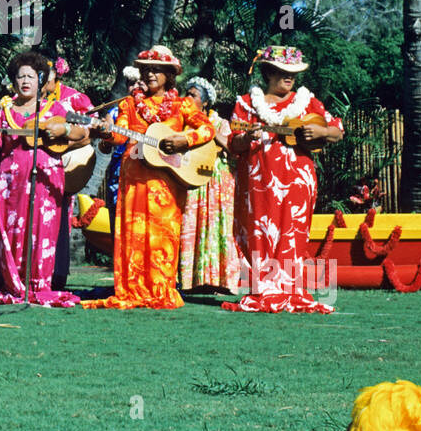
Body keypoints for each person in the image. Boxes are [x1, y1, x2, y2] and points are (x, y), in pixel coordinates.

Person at [85, 46, 213, 310]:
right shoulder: (129, 104)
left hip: (167, 181)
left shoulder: (182, 105)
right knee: (134, 233)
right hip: (134, 177)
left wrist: (184, 140)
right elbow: (121, 136)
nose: (151, 73)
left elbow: (208, 128)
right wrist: (106, 133)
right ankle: (132, 288)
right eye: (147, 69)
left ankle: (160, 288)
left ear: (169, 74)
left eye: (157, 69)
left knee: (162, 234)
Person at [224, 45, 343, 314]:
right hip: (259, 179)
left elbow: (337, 130)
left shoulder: (308, 102)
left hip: (298, 180)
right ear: (268, 72)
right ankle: (263, 291)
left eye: (293, 72)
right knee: (260, 230)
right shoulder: (246, 103)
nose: (289, 77)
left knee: (292, 232)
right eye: (282, 71)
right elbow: (234, 144)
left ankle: (291, 290)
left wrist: (320, 131)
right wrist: (247, 137)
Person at [0, 50, 82, 307]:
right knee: (13, 229)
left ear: (41, 80)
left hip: (46, 176)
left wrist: (62, 128)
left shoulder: (55, 108)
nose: (26, 81)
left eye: (31, 76)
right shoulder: (3, 108)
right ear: (14, 81)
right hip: (12, 177)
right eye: (20, 77)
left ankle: (40, 284)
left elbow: (79, 133)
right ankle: (14, 284)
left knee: (43, 229)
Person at [179, 76, 241, 291]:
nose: (187, 98)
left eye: (193, 95)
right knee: (191, 224)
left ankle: (221, 281)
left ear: (205, 102)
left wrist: (210, 131)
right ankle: (191, 281)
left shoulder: (220, 123)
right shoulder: (182, 124)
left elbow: (233, 150)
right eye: (186, 93)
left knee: (219, 227)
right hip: (191, 179)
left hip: (218, 181)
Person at [39, 54, 92, 290]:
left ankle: (56, 274)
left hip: (65, 164)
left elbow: (91, 127)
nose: (41, 82)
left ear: (56, 77)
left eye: (44, 78)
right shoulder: (25, 99)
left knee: (58, 217)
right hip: (34, 165)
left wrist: (66, 143)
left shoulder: (74, 98)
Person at [97, 66, 145, 234]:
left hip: (149, 176)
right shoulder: (115, 111)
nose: (135, 88)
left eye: (139, 84)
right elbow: (104, 149)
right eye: (131, 84)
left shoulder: (157, 110)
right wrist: (106, 136)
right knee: (119, 228)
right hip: (120, 173)